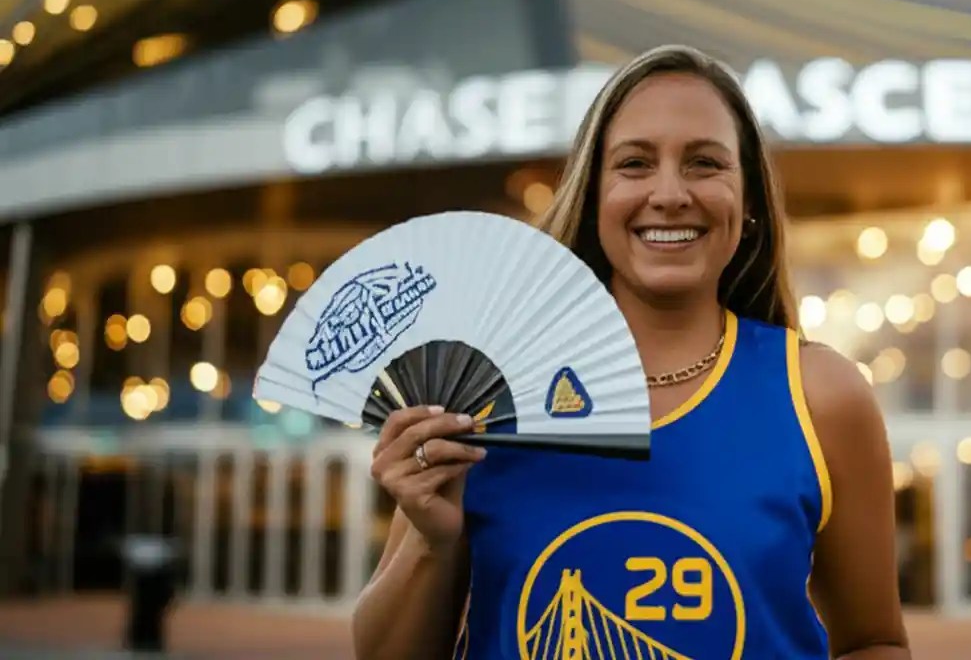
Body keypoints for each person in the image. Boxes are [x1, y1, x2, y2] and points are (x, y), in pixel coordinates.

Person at [350, 45, 910, 659]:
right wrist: (429, 542)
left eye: (704, 163)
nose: (669, 194)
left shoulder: (820, 396)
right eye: (635, 164)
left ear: (748, 200)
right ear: (594, 195)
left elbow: (874, 641)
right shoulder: (486, 393)